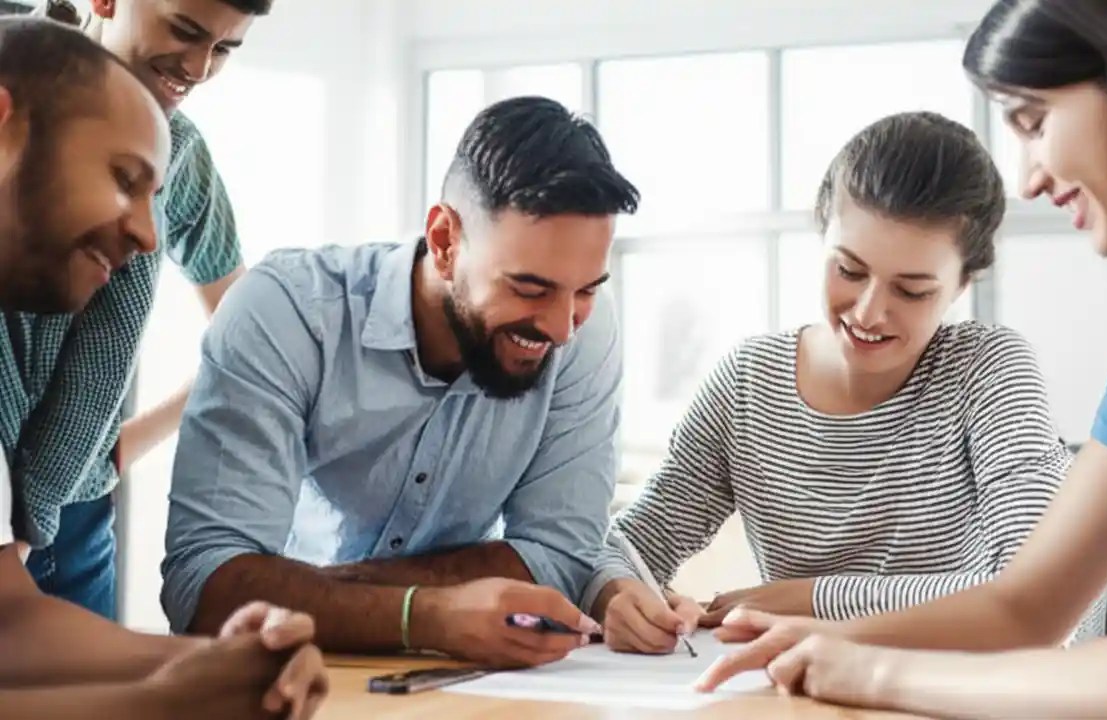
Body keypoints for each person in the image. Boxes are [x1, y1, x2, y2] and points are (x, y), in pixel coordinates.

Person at [697, 1, 1107, 717]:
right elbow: (1024, 608)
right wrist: (806, 644)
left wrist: (865, 670)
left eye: (1034, 123)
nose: (1028, 178)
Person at [587, 111, 1106, 655]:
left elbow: (1044, 595)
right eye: (850, 271)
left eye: (912, 291)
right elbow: (624, 545)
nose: (869, 312)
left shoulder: (985, 369)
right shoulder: (748, 384)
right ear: (822, 234)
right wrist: (619, 595)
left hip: (956, 692)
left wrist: (807, 598)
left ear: (961, 285)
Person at [162, 96, 641, 669]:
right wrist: (428, 614)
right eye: (530, 289)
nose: (563, 329)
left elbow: (561, 554)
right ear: (444, 242)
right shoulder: (285, 312)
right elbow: (205, 585)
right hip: (290, 670)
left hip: (463, 685)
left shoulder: (586, 332)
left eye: (587, 289)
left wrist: (312, 592)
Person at [0, 16, 326, 719]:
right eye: (123, 179)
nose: (150, 235)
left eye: (227, 48)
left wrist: (217, 662)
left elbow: (6, 619)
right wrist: (159, 702)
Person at [8, 0, 268, 619]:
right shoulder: (16, 61)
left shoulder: (178, 152)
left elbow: (247, 334)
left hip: (68, 522)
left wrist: (121, 444)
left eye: (226, 49)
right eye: (185, 30)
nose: (201, 67)